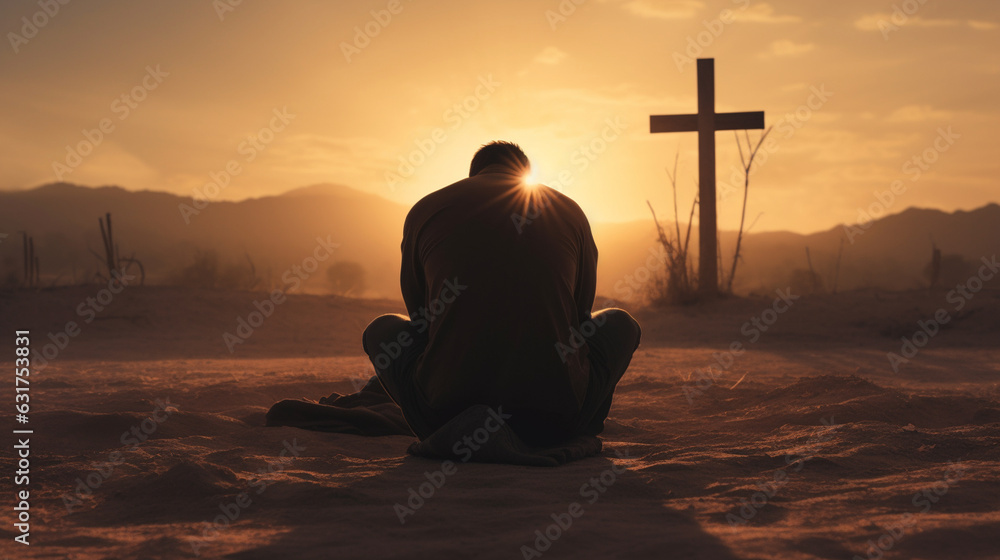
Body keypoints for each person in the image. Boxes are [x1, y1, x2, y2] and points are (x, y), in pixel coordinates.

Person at [363, 141, 640, 446]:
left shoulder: (425, 209)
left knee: (381, 329)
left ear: (473, 175)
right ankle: (582, 426)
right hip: (555, 417)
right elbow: (581, 317)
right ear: (525, 173)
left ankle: (441, 424)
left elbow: (419, 320)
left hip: (444, 415)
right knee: (620, 324)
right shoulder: (569, 210)